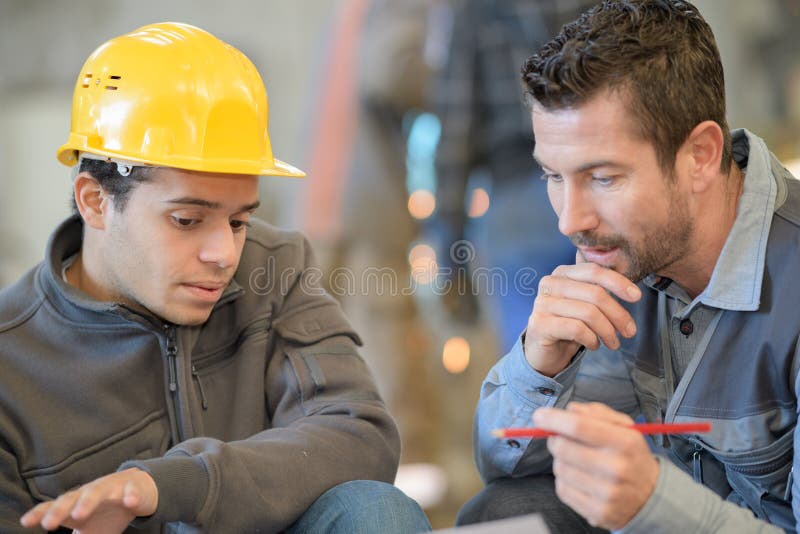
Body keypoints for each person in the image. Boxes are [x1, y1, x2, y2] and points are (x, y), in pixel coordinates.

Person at [0, 22, 432, 534]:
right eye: (186, 220)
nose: (224, 254)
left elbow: (361, 435)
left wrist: (169, 486)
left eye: (239, 221)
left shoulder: (275, 267)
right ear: (95, 201)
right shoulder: (11, 365)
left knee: (375, 511)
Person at [459, 1, 800, 532]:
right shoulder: (627, 260)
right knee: (504, 513)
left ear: (701, 155)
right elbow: (503, 465)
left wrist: (653, 504)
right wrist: (539, 365)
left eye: (603, 178)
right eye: (553, 176)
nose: (571, 221)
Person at [430, 0, 590, 351]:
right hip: (600, 182)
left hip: (517, 199)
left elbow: (456, 134)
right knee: (629, 357)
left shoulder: (471, 9)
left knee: (534, 362)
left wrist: (450, 255)